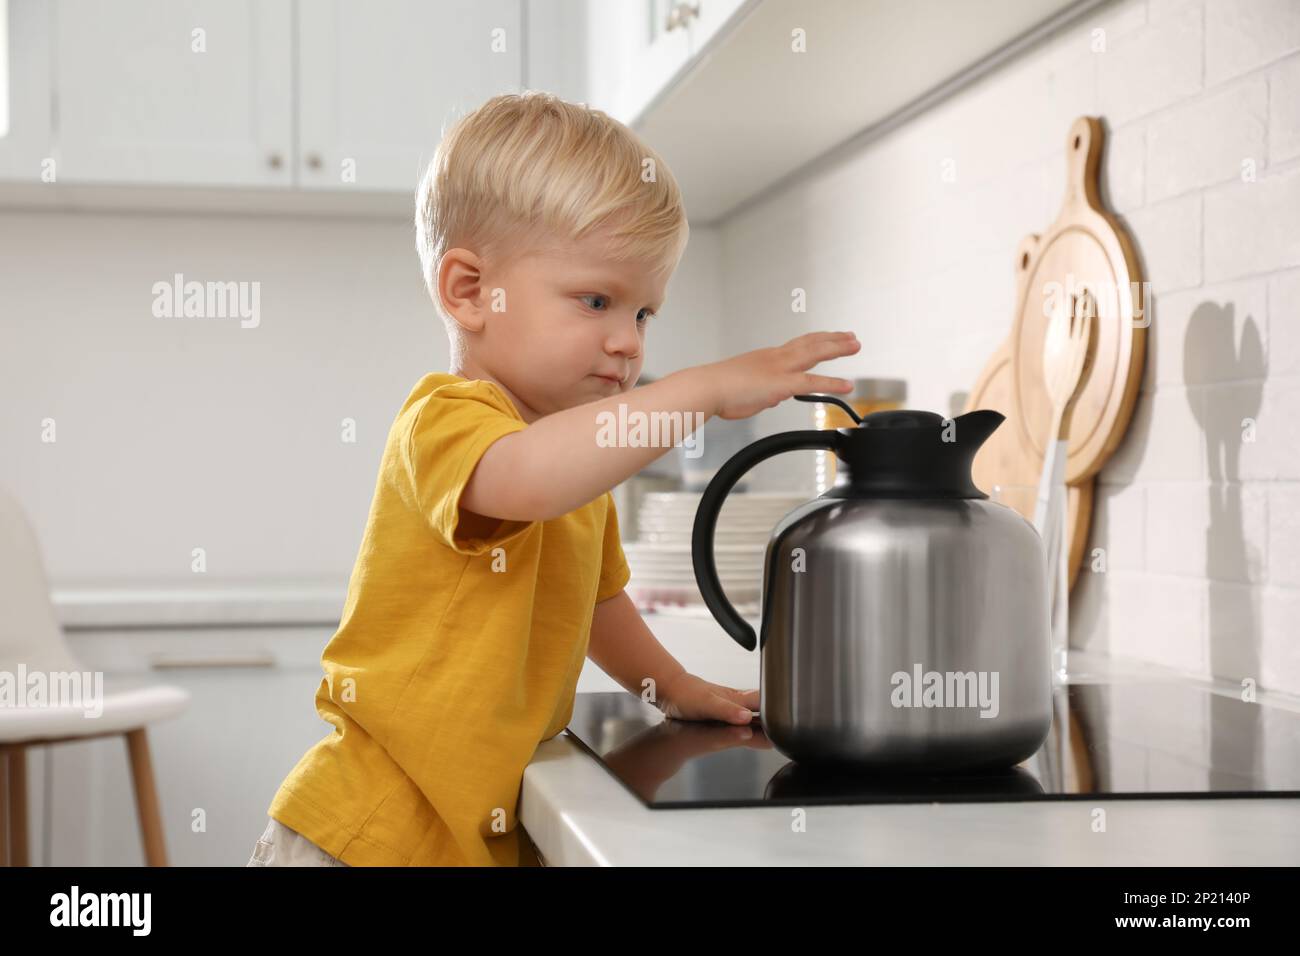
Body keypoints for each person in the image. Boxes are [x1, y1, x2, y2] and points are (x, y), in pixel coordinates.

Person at [248, 91, 859, 867]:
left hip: (468, 833)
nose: (626, 343)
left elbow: (595, 602)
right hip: (369, 834)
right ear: (469, 291)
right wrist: (703, 390)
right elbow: (528, 482)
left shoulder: (577, 472)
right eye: (596, 300)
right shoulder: (446, 422)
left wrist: (668, 685)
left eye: (644, 314)